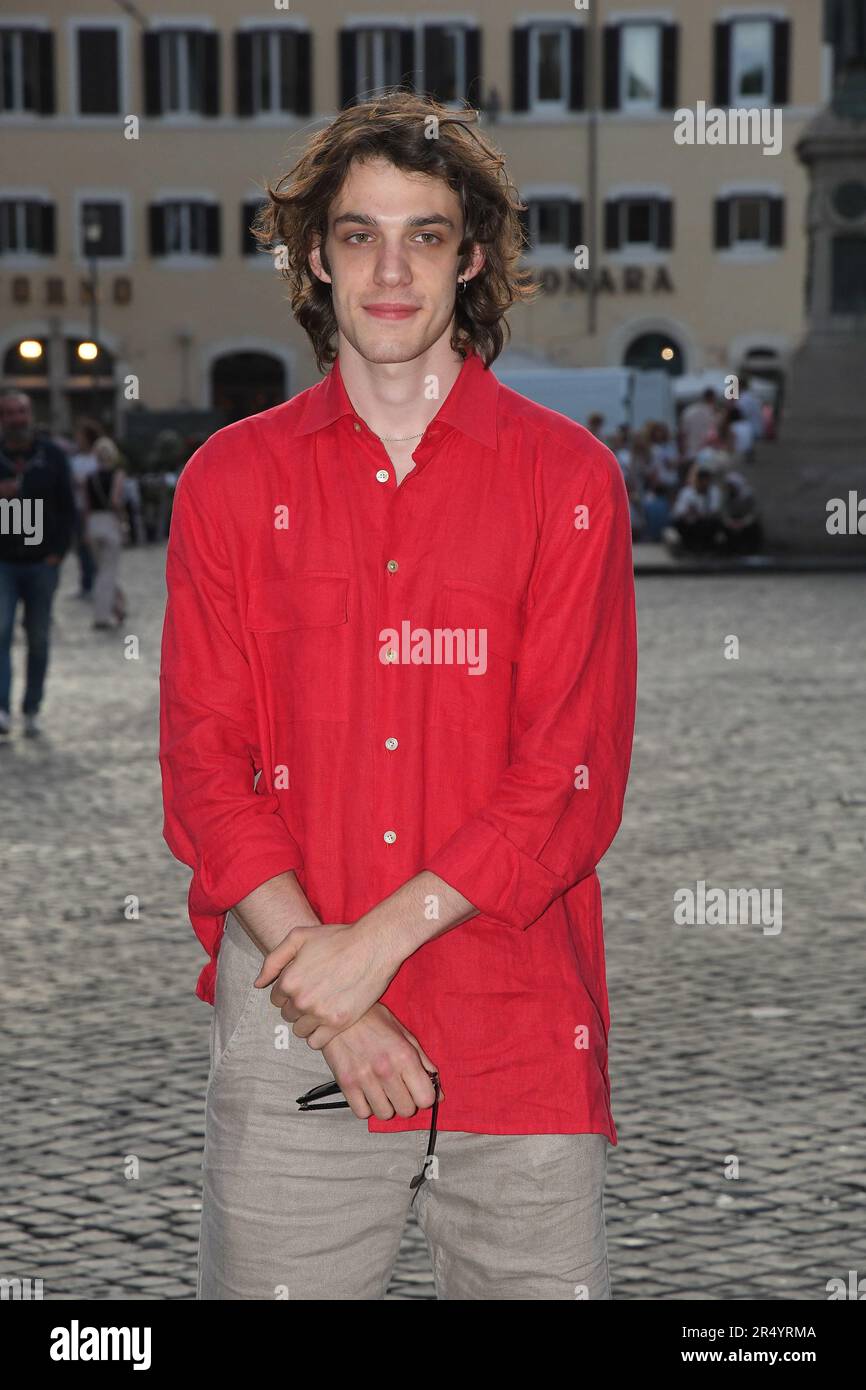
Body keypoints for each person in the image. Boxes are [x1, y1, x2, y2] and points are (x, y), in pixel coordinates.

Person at [159, 91, 637, 1302]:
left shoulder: (567, 479)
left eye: (422, 235)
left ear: (469, 256)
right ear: (313, 256)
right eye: (357, 234)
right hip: (291, 1029)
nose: (388, 268)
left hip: (519, 1030)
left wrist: (367, 950)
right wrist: (337, 1002)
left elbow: (566, 780)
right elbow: (205, 770)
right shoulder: (228, 481)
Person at [0, 391, 76, 739]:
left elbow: (68, 507)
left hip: (41, 562)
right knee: (0, 632)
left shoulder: (52, 456)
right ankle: (2, 708)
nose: (18, 418)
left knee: (39, 638)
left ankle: (32, 708)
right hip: (3, 562)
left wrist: (57, 553)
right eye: (10, 412)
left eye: (22, 411)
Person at [83, 436, 127, 630]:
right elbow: (116, 501)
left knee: (103, 571)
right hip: (109, 522)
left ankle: (118, 605)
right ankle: (102, 615)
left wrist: (85, 530)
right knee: (107, 572)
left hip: (93, 524)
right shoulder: (118, 475)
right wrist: (124, 522)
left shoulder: (89, 477)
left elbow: (86, 507)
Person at [69, 418, 101, 598]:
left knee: (94, 550)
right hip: (79, 508)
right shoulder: (76, 460)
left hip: (94, 510)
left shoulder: (96, 459)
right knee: (81, 549)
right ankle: (86, 582)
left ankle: (96, 582)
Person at [669, 460, 724, 552]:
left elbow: (715, 510)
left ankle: (707, 547)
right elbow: (678, 511)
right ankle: (689, 546)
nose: (704, 482)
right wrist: (687, 512)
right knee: (679, 522)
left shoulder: (714, 492)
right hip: (690, 522)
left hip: (706, 521)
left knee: (713, 522)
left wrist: (700, 513)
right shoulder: (687, 492)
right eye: (701, 479)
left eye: (706, 479)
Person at [680, 387, 717, 464]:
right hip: (705, 453)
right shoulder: (710, 412)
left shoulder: (688, 411)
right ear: (712, 398)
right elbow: (712, 435)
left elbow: (682, 433)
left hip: (690, 452)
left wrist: (683, 452)